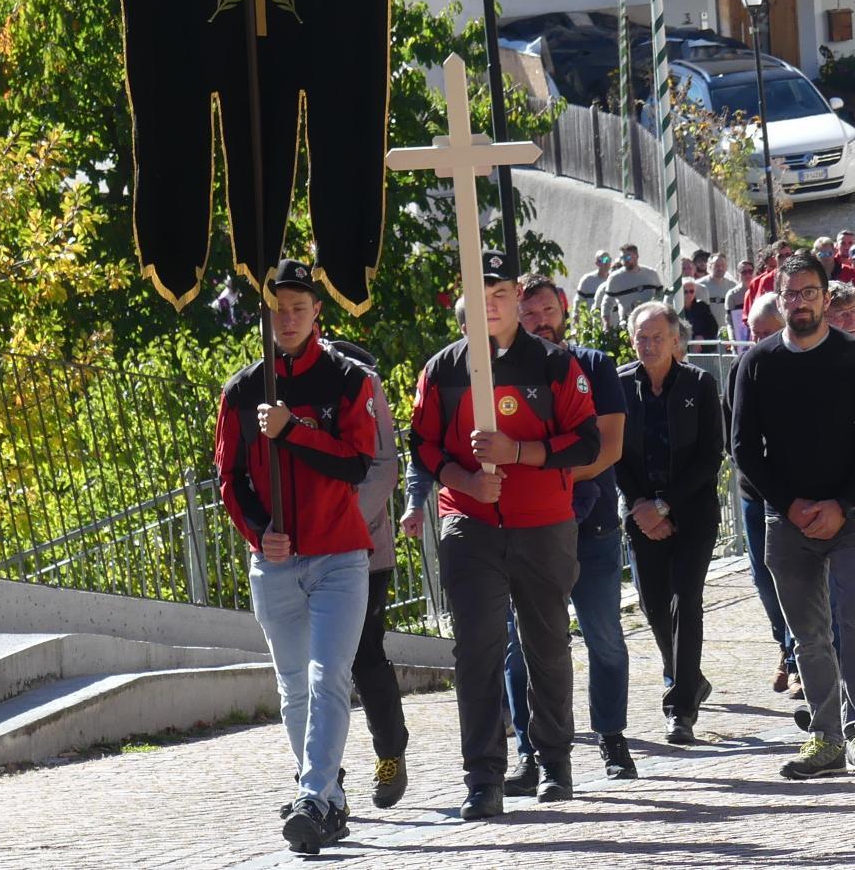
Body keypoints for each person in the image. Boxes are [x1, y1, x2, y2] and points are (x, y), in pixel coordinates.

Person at [409, 252, 600, 819]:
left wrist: (522, 454)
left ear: (517, 297)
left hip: (543, 523)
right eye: (479, 293)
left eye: (500, 293)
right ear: (463, 298)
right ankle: (483, 777)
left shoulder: (554, 364)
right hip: (470, 524)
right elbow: (422, 442)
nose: (489, 303)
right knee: (477, 649)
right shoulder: (443, 368)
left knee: (547, 645)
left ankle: (555, 763)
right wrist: (462, 477)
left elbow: (587, 442)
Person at [213, 260, 378, 854]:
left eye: (298, 309)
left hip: (338, 555)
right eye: (278, 308)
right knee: (293, 686)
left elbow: (357, 461)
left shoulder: (346, 379)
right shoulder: (241, 390)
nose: (287, 319)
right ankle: (328, 794)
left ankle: (312, 794)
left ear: (317, 314)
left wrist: (294, 430)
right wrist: (260, 534)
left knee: (327, 674)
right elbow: (230, 479)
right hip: (276, 561)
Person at [731, 251, 855, 778]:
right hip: (787, 521)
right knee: (807, 634)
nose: (799, 302)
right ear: (778, 300)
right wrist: (791, 505)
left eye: (808, 292)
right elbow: (744, 449)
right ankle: (824, 737)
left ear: (826, 297)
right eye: (790, 293)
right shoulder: (756, 364)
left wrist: (841, 502)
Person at [502, 275, 637, 786]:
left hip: (591, 524)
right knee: (522, 647)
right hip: (527, 529)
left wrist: (542, 474)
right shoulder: (501, 371)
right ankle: (528, 752)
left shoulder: (596, 366)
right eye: (529, 312)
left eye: (546, 310)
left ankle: (611, 738)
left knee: (603, 638)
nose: (539, 320)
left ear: (564, 311)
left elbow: (609, 448)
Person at [616, 301, 726, 744]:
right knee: (654, 605)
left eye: (657, 336)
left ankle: (680, 708)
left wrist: (665, 504)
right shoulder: (620, 386)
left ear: (676, 340)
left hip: (692, 513)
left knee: (686, 600)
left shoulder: (699, 384)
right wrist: (641, 505)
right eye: (641, 337)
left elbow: (709, 456)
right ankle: (689, 676)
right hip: (641, 514)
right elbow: (614, 453)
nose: (649, 344)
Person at [323, 337, 411, 810]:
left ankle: (390, 751)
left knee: (363, 655)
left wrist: (335, 524)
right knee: (312, 668)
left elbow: (382, 469)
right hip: (300, 553)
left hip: (362, 547)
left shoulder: (360, 378)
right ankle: (319, 777)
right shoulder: (275, 378)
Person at [731, 292, 798, 692]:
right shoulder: (743, 367)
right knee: (762, 576)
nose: (758, 342)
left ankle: (796, 655)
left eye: (766, 334)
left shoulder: (799, 367)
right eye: (753, 334)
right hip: (754, 492)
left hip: (794, 496)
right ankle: (784, 643)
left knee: (796, 576)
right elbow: (733, 435)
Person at [600, 244, 663, 327]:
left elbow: (661, 294)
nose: (624, 261)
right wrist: (606, 324)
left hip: (652, 320)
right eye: (622, 258)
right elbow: (607, 303)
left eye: (627, 258)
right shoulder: (615, 278)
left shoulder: (651, 274)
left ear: (636, 256)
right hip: (628, 323)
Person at [680, 278, 720, 342]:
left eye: (691, 291)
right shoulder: (677, 309)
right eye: (685, 292)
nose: (689, 294)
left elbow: (713, 328)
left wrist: (702, 337)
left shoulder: (702, 307)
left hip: (702, 346)